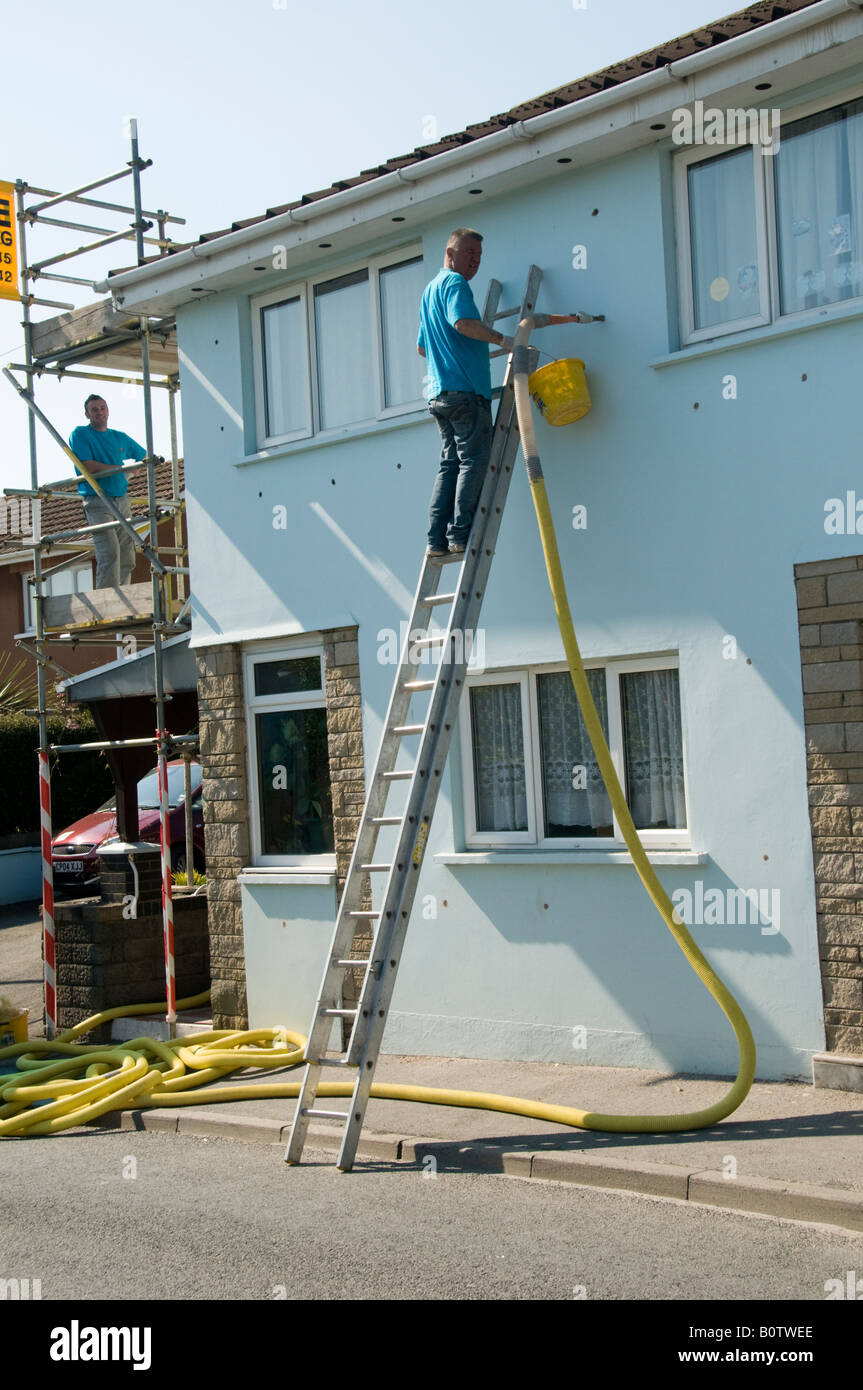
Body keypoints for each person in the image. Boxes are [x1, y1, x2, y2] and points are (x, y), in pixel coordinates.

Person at [417, 228, 514, 557]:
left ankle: (435, 540)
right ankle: (460, 533)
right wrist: (503, 340)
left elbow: (421, 347)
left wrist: (445, 354)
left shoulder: (429, 291)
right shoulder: (455, 284)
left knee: (449, 464)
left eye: (479, 256)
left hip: (439, 394)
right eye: (468, 252)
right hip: (466, 391)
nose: (474, 260)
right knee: (473, 460)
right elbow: (462, 323)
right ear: (450, 253)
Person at [69, 395, 147, 589]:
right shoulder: (80, 434)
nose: (99, 412)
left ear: (108, 411)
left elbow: (143, 456)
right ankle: (108, 599)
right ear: (87, 414)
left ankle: (123, 596)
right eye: (94, 409)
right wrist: (117, 469)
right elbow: (88, 465)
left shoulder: (118, 437)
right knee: (109, 551)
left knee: (127, 552)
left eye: (103, 408)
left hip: (121, 498)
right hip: (97, 500)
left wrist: (128, 472)